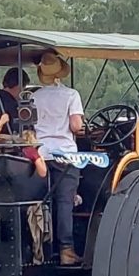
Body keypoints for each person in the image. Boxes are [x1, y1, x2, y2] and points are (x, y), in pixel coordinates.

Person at [32, 52, 84, 265]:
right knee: (64, 202)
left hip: (41, 154)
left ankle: (43, 248)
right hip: (65, 154)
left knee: (43, 201)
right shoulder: (71, 95)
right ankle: (66, 250)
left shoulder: (34, 97)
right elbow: (76, 126)